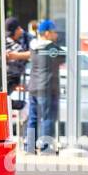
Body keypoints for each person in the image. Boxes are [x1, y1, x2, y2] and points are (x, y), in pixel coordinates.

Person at [25, 19, 63, 154]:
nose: (56, 35)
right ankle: (46, 147)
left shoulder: (33, 46)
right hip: (47, 87)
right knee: (48, 118)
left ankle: (29, 147)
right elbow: (65, 58)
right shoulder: (51, 48)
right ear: (47, 33)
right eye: (54, 32)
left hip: (33, 87)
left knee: (33, 118)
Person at [4, 17, 30, 96]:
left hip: (10, 80)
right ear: (14, 30)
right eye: (18, 28)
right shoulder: (9, 42)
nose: (20, 31)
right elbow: (26, 55)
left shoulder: (8, 40)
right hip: (9, 79)